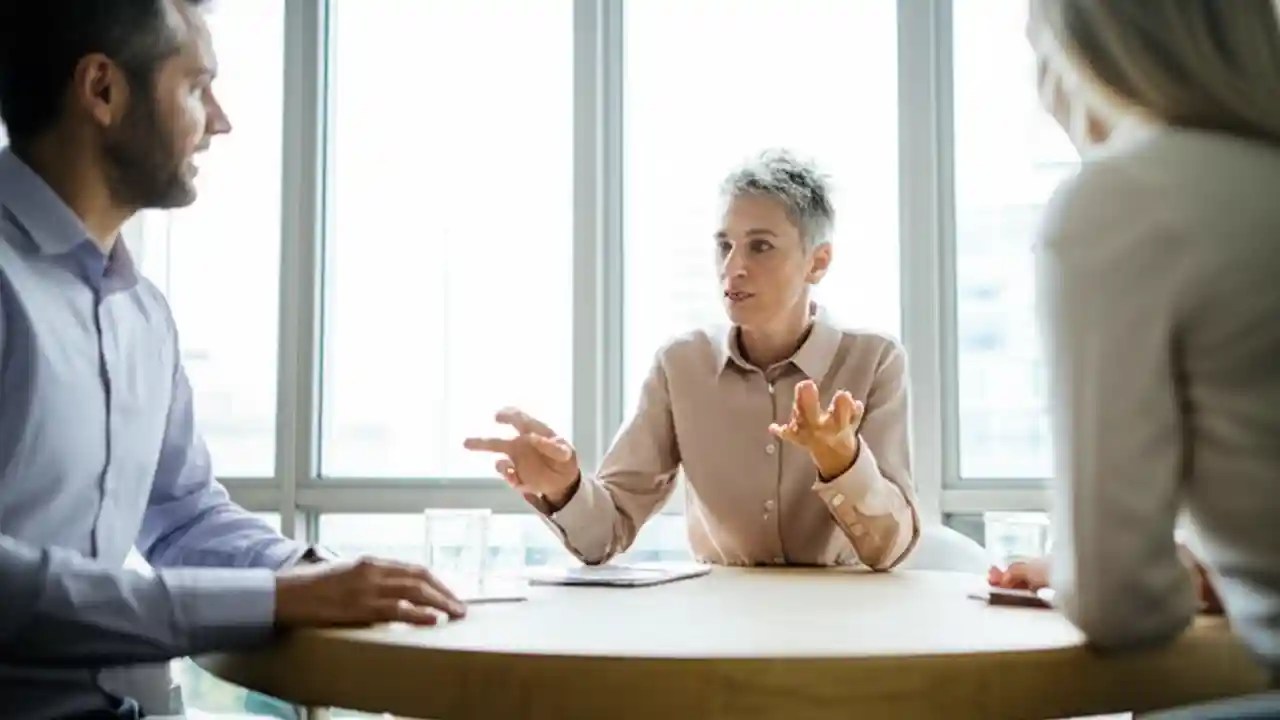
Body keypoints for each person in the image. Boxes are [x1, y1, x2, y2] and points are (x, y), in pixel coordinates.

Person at [0, 2, 464, 717]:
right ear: (102, 90)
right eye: (196, 86)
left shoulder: (142, 313)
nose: (219, 121)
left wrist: (322, 574)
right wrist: (275, 597)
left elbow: (183, 516)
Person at [993, 0, 1280, 707]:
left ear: (1088, 46)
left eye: (1042, 49)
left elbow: (1120, 602)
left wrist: (1089, 569)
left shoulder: (1128, 199)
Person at [467, 150, 920, 570]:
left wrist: (843, 461)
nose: (732, 267)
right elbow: (604, 535)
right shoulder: (680, 366)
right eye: (724, 245)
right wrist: (564, 488)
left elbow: (889, 550)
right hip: (715, 632)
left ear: (817, 263)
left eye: (760, 246)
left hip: (846, 631)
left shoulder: (875, 361)